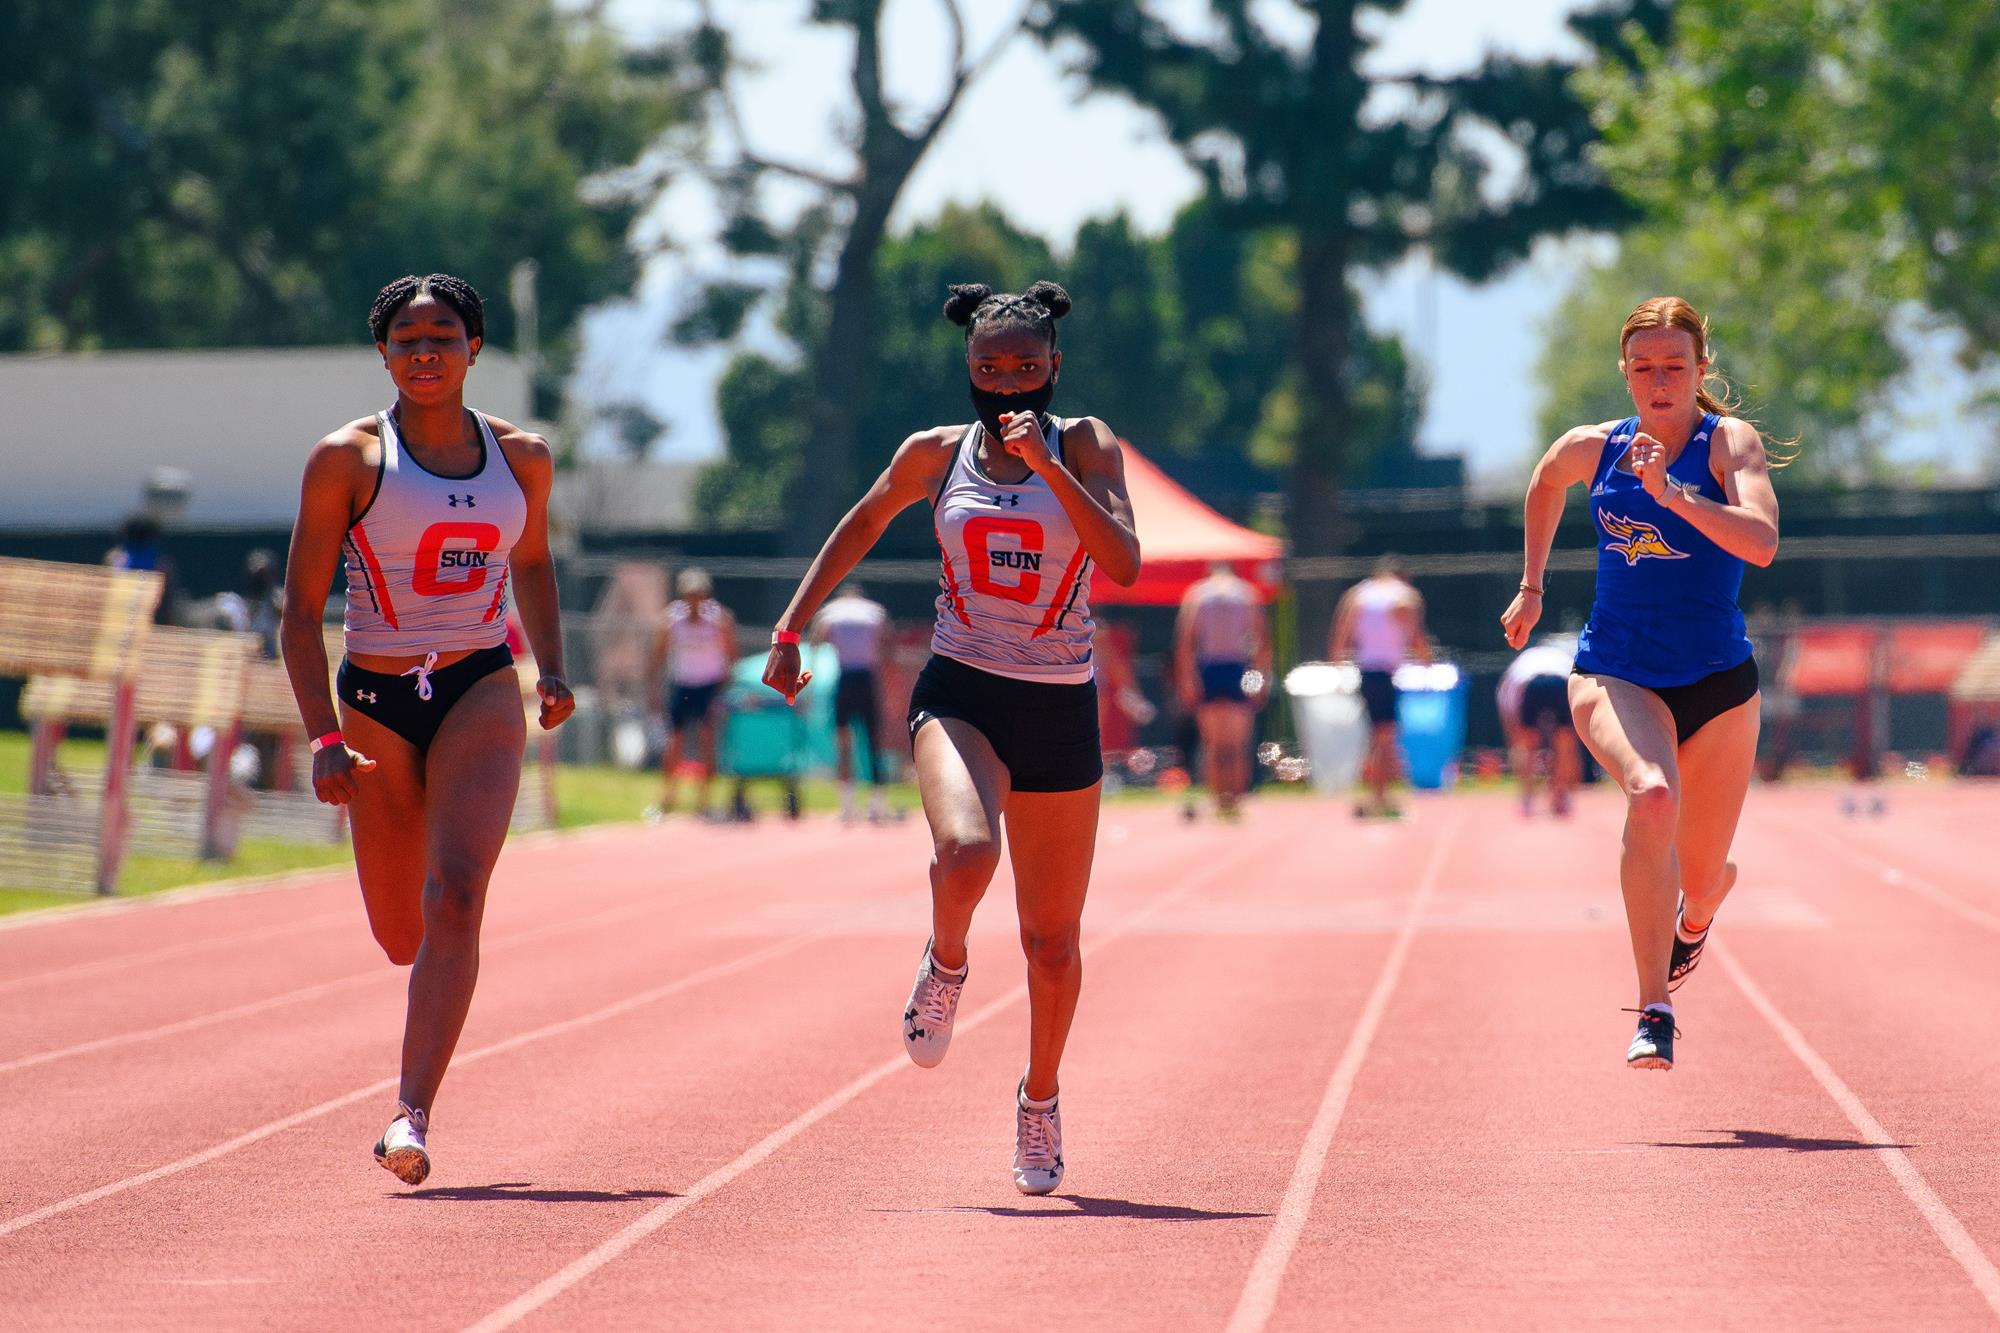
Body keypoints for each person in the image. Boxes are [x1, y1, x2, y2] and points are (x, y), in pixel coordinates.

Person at [762, 280, 1139, 1195]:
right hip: (961, 685)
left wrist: (1049, 472)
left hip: (1058, 701)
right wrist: (790, 625)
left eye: (1024, 367)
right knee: (967, 851)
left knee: (1052, 942)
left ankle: (1039, 1099)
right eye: (987, 368)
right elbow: (859, 523)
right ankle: (946, 959)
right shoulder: (935, 454)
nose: (1006, 383)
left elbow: (1124, 562)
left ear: (1054, 366)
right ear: (966, 369)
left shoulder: (1085, 444)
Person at [280, 273, 574, 1185]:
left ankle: (408, 1114)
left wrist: (553, 668)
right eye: (406, 338)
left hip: (480, 683)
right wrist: (324, 736)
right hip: (374, 702)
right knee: (401, 934)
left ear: (475, 346)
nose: (425, 350)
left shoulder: (521, 458)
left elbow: (532, 561)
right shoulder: (349, 459)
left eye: (443, 334)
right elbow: (298, 612)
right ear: (384, 352)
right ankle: (415, 1050)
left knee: (456, 898)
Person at [1501, 295, 1782, 1072]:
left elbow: (1761, 543)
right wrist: (1531, 585)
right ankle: (1653, 1006)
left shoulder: (1728, 444)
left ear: (1700, 371)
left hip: (1721, 683)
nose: (1660, 381)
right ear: (1625, 373)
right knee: (1652, 794)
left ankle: (1701, 912)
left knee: (1703, 873)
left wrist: (1676, 496)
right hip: (1615, 670)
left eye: (1675, 367)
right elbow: (1542, 482)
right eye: (1644, 367)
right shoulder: (1595, 448)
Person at [1329, 556, 1431, 819]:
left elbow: (1341, 634)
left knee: (1378, 735)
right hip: (1384, 672)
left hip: (1366, 671)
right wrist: (1425, 661)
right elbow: (1415, 634)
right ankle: (1379, 797)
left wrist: (1338, 666)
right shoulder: (1405, 595)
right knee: (1385, 737)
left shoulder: (1358, 594)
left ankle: (1378, 794)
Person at [1173, 562, 1270, 820]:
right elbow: (1261, 640)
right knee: (1238, 743)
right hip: (1236, 665)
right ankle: (1235, 800)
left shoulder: (1197, 594)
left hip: (1210, 667)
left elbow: (1185, 641)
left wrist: (1187, 679)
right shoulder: (1246, 594)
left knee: (1214, 743)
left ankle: (1218, 800)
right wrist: (1260, 678)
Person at [649, 568, 737, 819]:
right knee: (674, 741)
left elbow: (731, 654)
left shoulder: (719, 620)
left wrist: (723, 688)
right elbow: (658, 655)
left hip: (709, 684)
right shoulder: (672, 620)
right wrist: (653, 687)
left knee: (706, 740)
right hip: (683, 683)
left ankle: (704, 800)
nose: (694, 601)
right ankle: (668, 797)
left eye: (699, 595)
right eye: (689, 595)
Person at [812, 583, 894, 823]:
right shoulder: (874, 612)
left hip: (845, 679)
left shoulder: (831, 612)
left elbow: (816, 641)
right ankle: (877, 805)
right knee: (874, 743)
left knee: (843, 742)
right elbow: (888, 643)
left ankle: (847, 807)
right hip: (867, 679)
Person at [1497, 633, 1581, 817]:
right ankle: (1561, 796)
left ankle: (1527, 797)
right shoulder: (1563, 658)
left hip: (1530, 685)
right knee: (1565, 742)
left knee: (1525, 744)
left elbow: (1509, 717)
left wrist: (1516, 738)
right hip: (1562, 682)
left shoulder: (1519, 667)